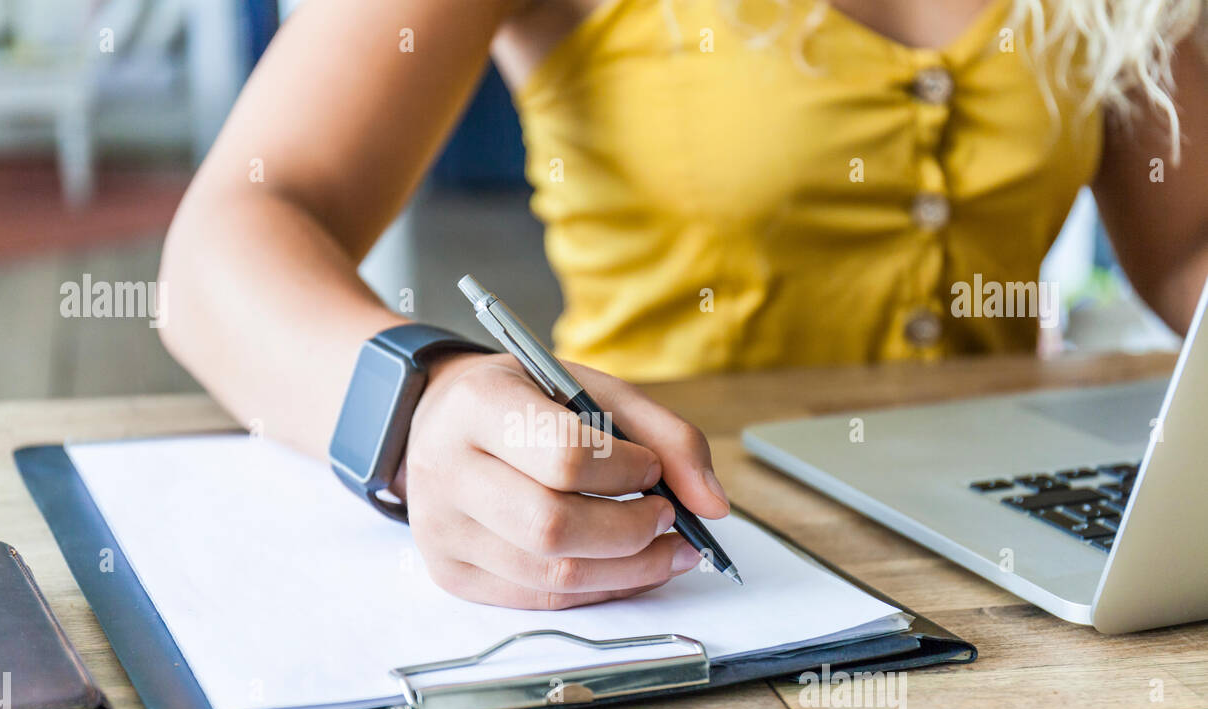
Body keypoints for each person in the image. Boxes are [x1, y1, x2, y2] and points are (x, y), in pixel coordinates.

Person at [158, 0, 1208, 609]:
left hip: (1028, 569)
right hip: (663, 557)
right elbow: (226, 244)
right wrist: (420, 399)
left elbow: (1183, 248)